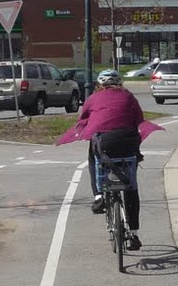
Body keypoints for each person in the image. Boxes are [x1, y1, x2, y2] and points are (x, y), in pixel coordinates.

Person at [56, 68, 160, 250]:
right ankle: (134, 234)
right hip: (129, 141)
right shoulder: (129, 97)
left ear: (99, 85)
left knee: (93, 155)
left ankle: (98, 196)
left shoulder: (94, 98)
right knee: (131, 186)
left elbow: (83, 118)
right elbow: (139, 119)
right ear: (119, 83)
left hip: (105, 142)